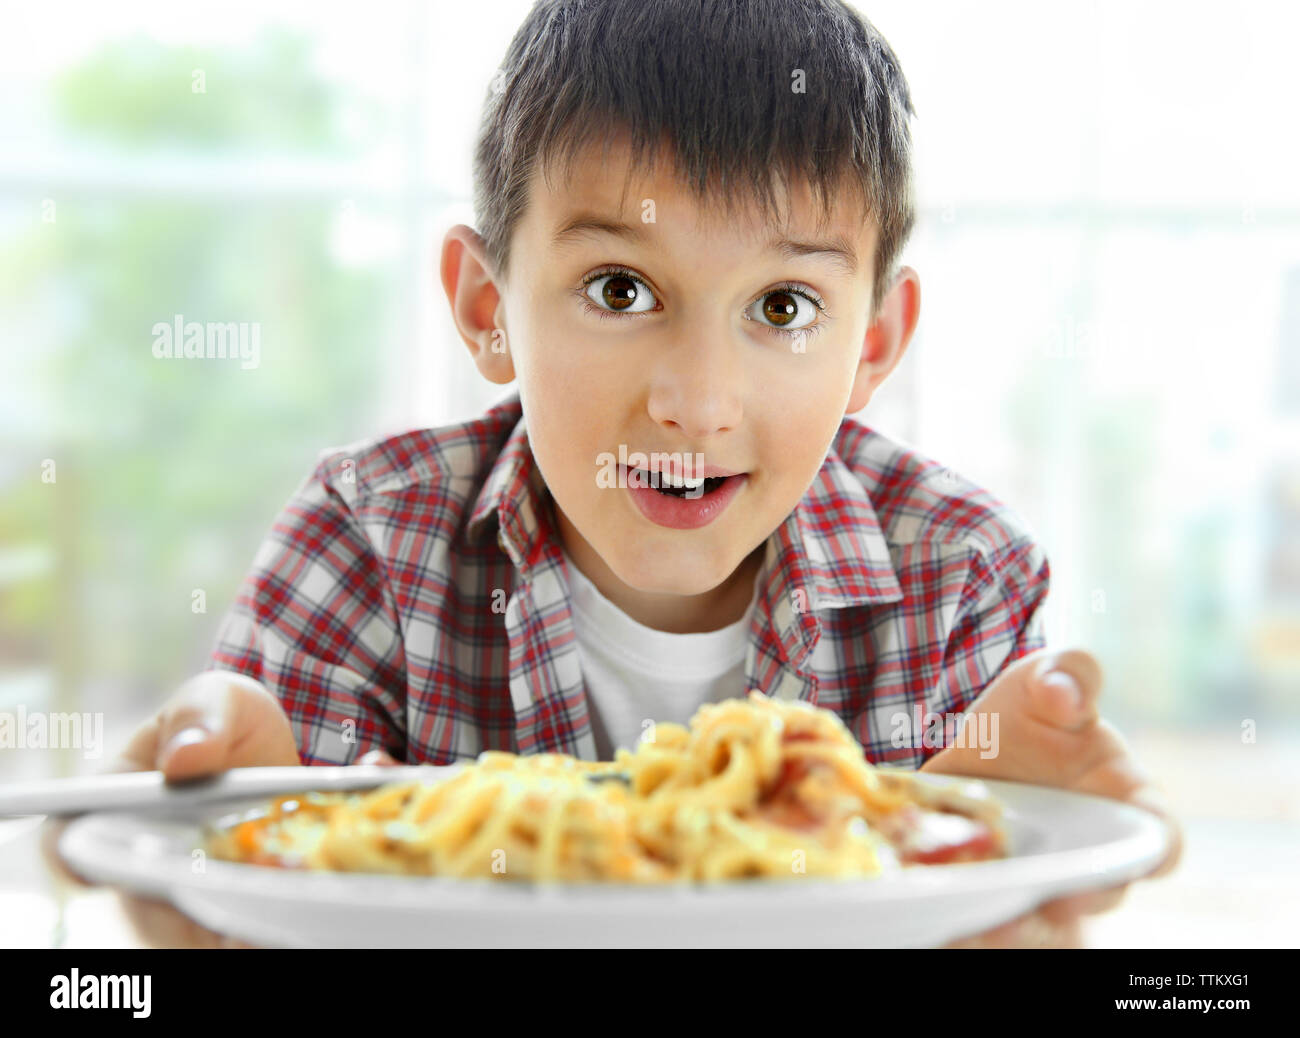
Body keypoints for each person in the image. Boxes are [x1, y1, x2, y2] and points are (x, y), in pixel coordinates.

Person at [44, 0, 1181, 947]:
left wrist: (1008, 852)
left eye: (782, 308)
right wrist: (216, 862)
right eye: (619, 291)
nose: (694, 398)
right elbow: (261, 853)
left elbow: (965, 879)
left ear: (873, 344)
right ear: (488, 309)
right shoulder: (367, 540)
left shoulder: (957, 575)